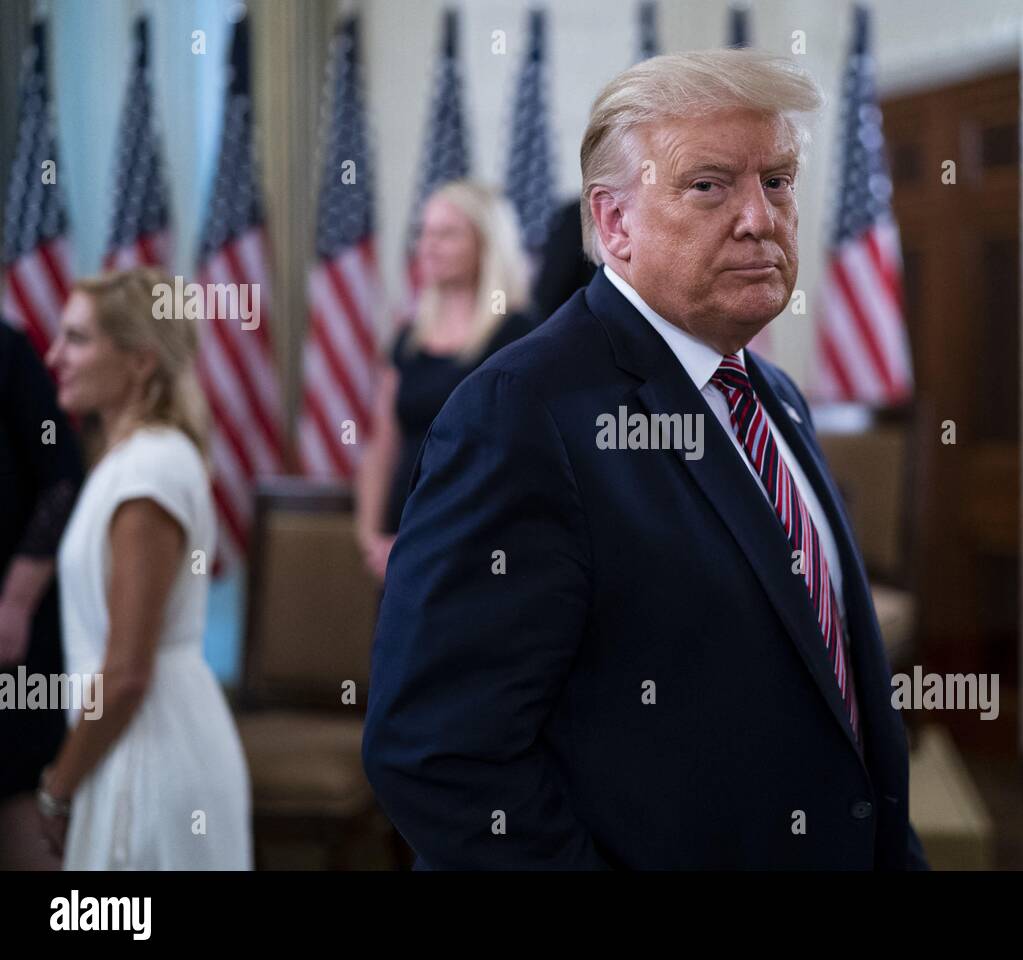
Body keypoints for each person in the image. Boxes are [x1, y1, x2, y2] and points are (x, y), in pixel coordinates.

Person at [363, 48, 930, 870]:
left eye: (777, 181)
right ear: (615, 222)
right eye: (709, 186)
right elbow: (435, 752)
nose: (760, 218)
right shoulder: (520, 413)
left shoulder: (773, 396)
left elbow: (836, 698)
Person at [38, 268, 252, 869]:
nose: (55, 356)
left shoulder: (149, 471)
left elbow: (128, 672)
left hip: (152, 758)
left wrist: (57, 789)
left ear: (140, 360)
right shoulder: (132, 461)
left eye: (77, 339)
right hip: (130, 748)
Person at [355, 179, 534, 581]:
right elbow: (382, 443)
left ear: (486, 243)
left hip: (478, 552)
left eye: (447, 234)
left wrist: (443, 547)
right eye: (424, 232)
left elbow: (515, 461)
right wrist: (372, 538)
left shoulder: (519, 335)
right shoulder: (408, 339)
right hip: (399, 546)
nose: (428, 245)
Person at [0, 322, 83, 870]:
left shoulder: (8, 353)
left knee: (20, 787)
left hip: (17, 640)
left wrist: (15, 602)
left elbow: (63, 479)